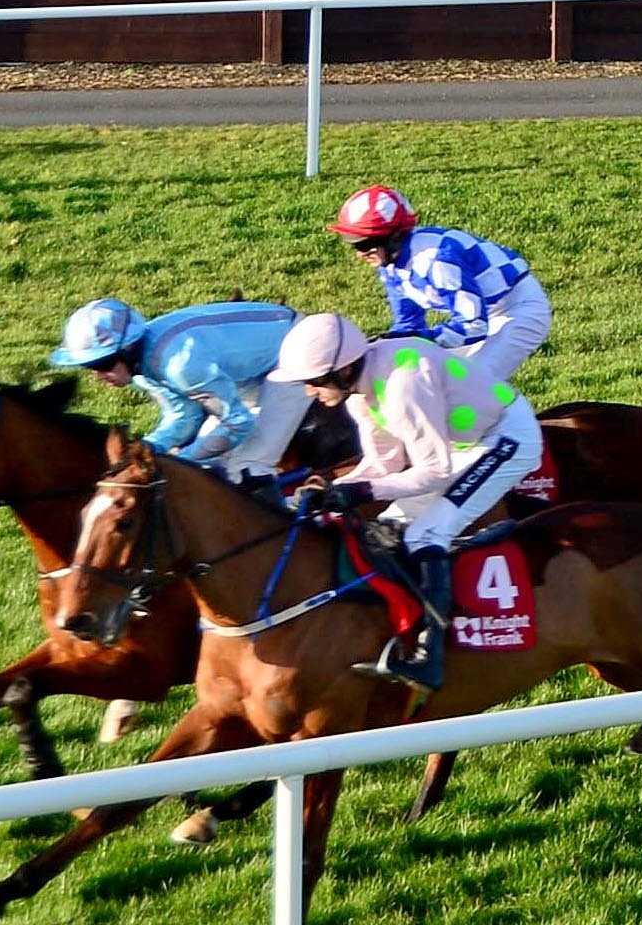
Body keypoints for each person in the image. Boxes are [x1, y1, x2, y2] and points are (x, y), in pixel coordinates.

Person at [274, 308, 542, 688]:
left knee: (425, 534)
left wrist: (361, 490)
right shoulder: (359, 394)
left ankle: (428, 656)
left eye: (313, 382)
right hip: (463, 443)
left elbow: (435, 471)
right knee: (386, 527)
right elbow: (384, 463)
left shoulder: (402, 387)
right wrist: (335, 488)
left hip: (505, 439)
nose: (308, 392)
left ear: (341, 370)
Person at [328, 183, 554, 396]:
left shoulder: (437, 262)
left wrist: (421, 338)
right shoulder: (390, 264)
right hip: (482, 314)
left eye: (365, 244)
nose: (360, 253)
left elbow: (474, 326)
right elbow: (409, 323)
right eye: (354, 245)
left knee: (467, 388)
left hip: (518, 311)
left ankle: (517, 430)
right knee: (424, 381)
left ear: (395, 237)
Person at [48, 293, 303, 478]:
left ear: (126, 350)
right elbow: (184, 416)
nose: (98, 376)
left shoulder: (178, 366)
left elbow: (238, 423)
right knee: (208, 458)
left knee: (243, 465)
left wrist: (179, 461)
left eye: (102, 364)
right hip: (256, 370)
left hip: (299, 353)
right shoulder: (144, 368)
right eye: (89, 368)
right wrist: (149, 448)